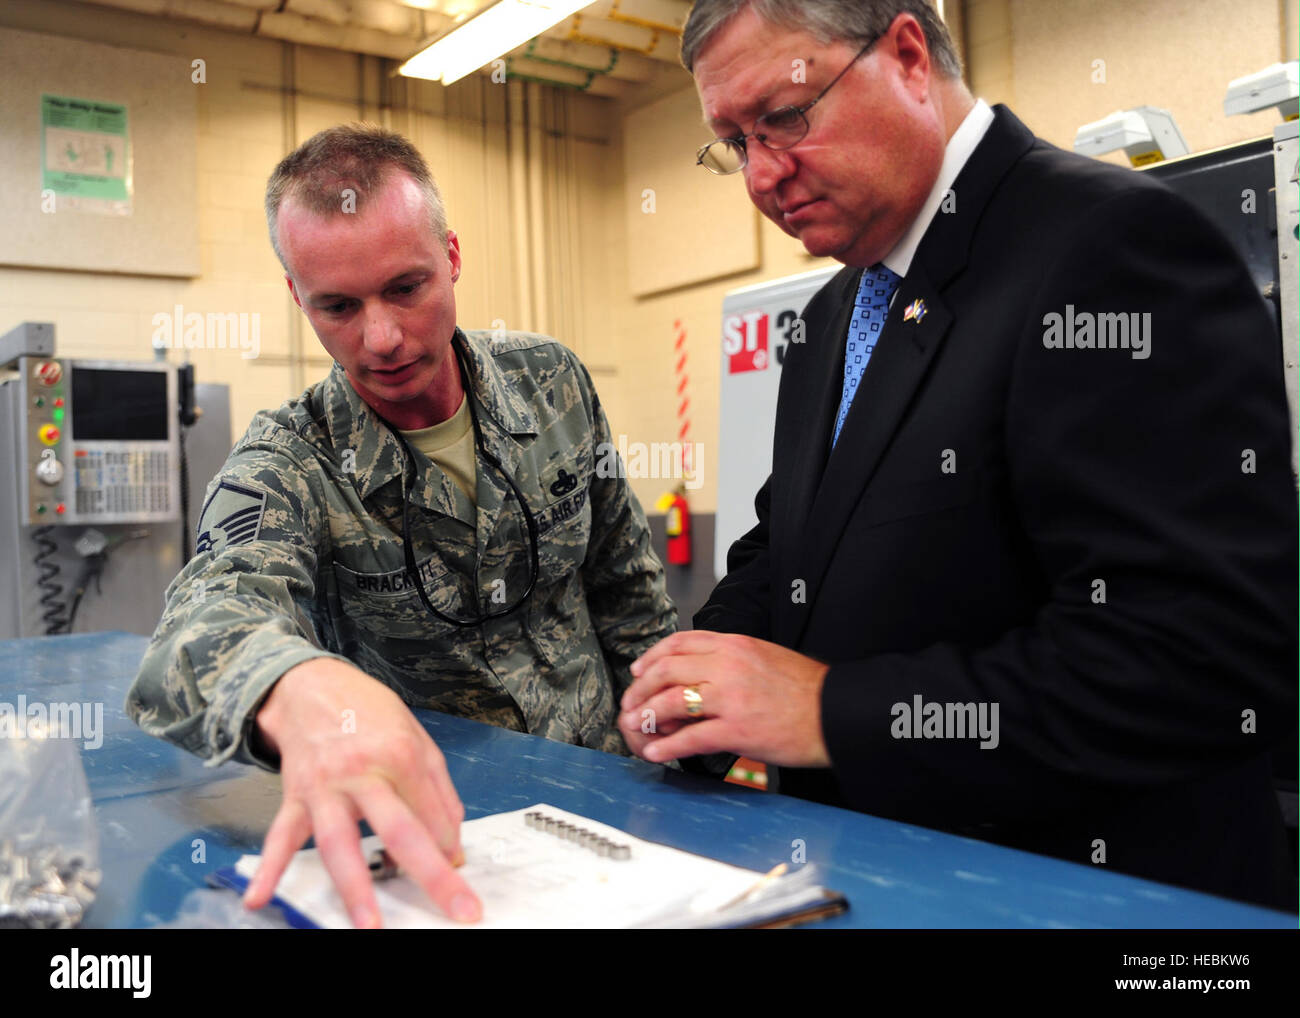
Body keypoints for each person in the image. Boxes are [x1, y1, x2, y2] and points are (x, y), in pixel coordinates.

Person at [618, 0, 1298, 908]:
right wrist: (704, 662)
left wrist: (828, 710)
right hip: (877, 878)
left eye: (784, 116)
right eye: (737, 143)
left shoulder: (1113, 247)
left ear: (905, 53)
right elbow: (795, 543)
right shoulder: (834, 316)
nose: (762, 176)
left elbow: (1195, 660)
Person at [127, 124, 676, 927]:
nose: (379, 339)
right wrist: (292, 683)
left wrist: (677, 755)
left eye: (406, 288)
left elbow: (627, 589)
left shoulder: (552, 379)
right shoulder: (291, 455)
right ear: (297, 299)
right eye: (338, 307)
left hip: (618, 807)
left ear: (451, 256)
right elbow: (199, 627)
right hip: (433, 839)